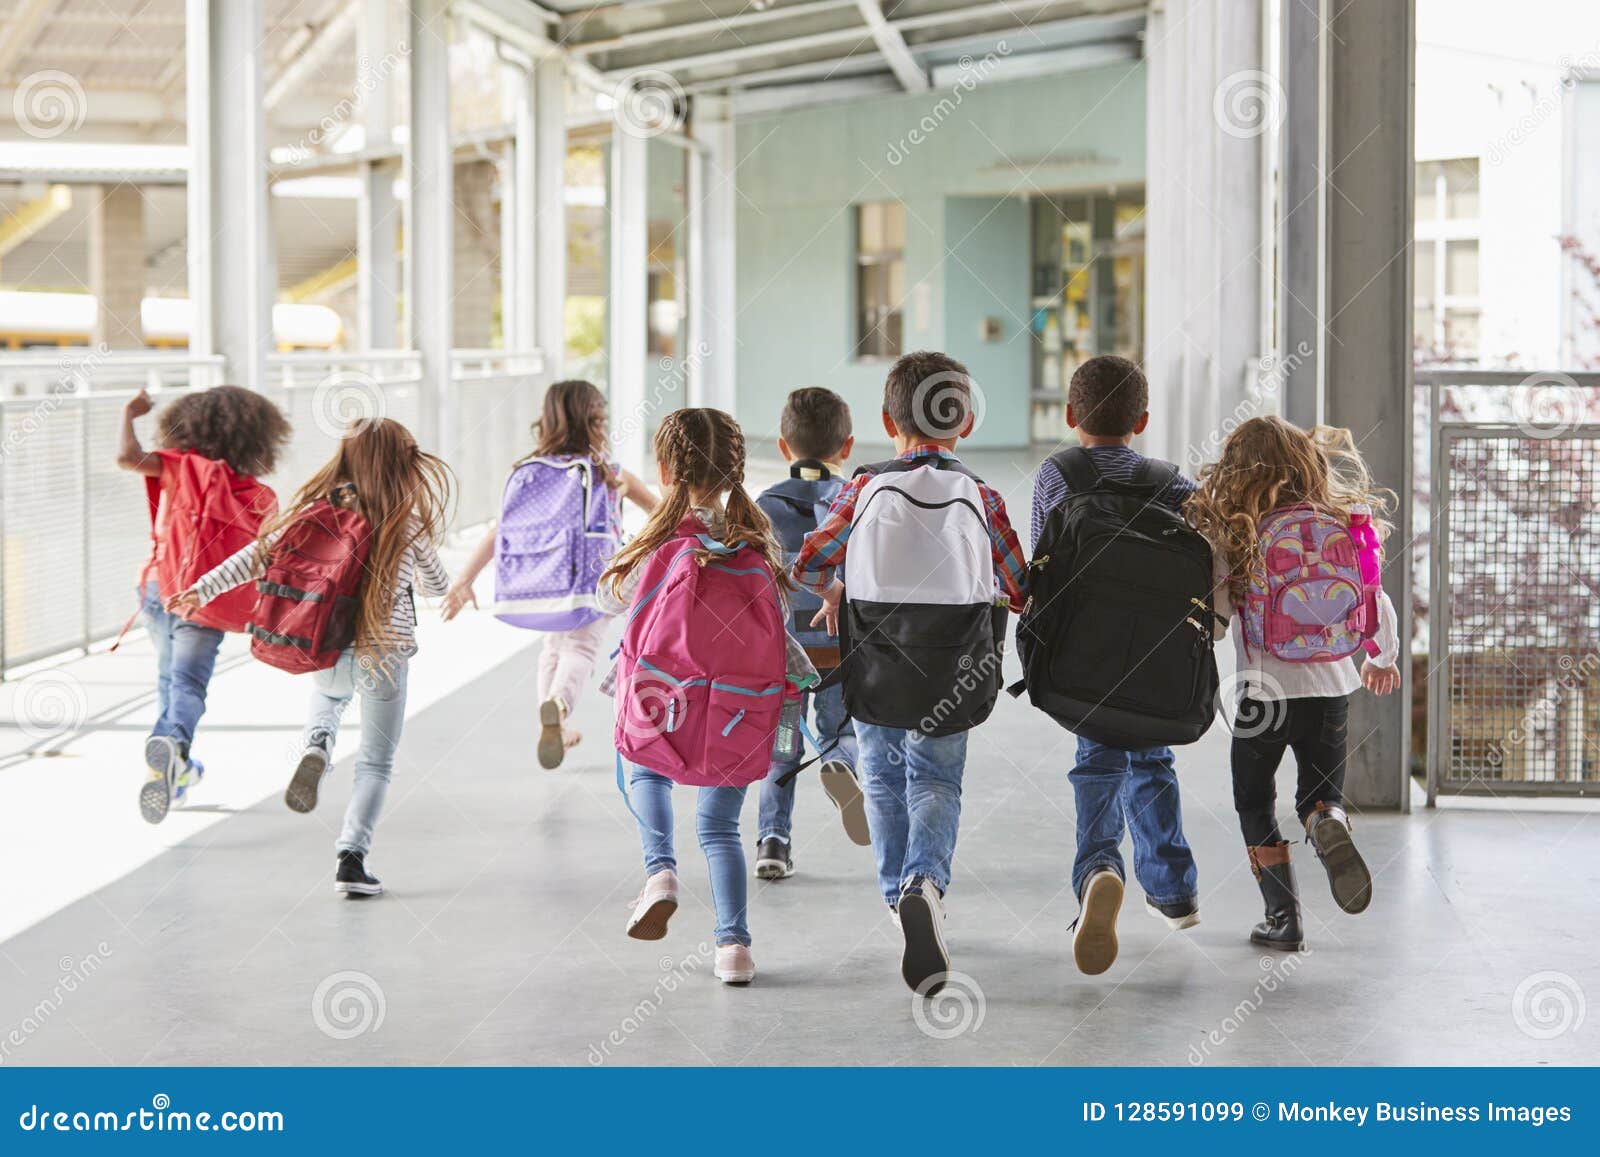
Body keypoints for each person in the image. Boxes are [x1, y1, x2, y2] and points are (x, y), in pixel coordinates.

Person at [795, 351, 1029, 995]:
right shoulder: (982, 495)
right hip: (955, 664)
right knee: (936, 780)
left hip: (876, 659)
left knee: (881, 777)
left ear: (885, 420)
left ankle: (899, 899)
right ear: (967, 424)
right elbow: (1019, 587)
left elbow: (809, 564)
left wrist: (838, 590)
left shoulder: (863, 487)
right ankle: (925, 882)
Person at [170, 418, 452, 898]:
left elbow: (259, 555)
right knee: (376, 763)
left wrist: (202, 588)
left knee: (329, 695)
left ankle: (318, 744)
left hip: (329, 642)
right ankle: (351, 859)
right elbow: (438, 585)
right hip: (385, 652)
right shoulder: (405, 521)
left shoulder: (318, 512)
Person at [598, 408, 814, 986]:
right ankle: (734, 948)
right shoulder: (757, 543)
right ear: (735, 470)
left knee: (643, 768)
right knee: (720, 829)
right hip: (738, 708)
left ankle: (660, 872)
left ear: (665, 469)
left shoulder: (658, 542)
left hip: (663, 698)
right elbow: (779, 622)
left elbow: (611, 603)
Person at [1187, 415, 1401, 951]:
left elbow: (1216, 622)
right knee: (1320, 793)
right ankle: (1328, 821)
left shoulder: (1240, 532)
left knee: (1254, 800)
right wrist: (1382, 657)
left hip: (1265, 695)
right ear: (1308, 465)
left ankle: (1283, 919)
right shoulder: (1341, 524)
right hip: (1333, 687)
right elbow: (1373, 597)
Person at [1028, 355, 1202, 975]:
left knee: (1097, 759)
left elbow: (1040, 563)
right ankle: (1174, 892)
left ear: (1070, 415)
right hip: (1157, 656)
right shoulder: (1172, 482)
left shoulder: (1057, 475)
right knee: (1152, 757)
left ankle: (1099, 868)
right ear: (1143, 421)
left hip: (1085, 655)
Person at [440, 380, 657, 768]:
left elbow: (499, 531)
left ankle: (554, 720)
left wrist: (464, 580)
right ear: (596, 421)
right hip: (593, 582)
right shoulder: (610, 473)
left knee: (554, 648)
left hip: (545, 579)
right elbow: (660, 513)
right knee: (581, 648)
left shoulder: (529, 471)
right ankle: (558, 706)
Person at [115, 385, 290, 823]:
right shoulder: (259, 496)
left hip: (157, 587)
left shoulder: (180, 467)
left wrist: (128, 413)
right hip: (206, 600)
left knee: (170, 678)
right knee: (187, 683)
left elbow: (126, 457)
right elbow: (266, 560)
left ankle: (176, 768)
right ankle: (173, 745)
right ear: (258, 438)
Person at [752, 387, 867, 879]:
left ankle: (772, 843)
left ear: (784, 447)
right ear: (848, 446)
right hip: (841, 648)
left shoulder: (763, 507)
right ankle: (839, 761)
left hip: (785, 657)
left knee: (781, 748)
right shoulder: (858, 501)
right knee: (842, 729)